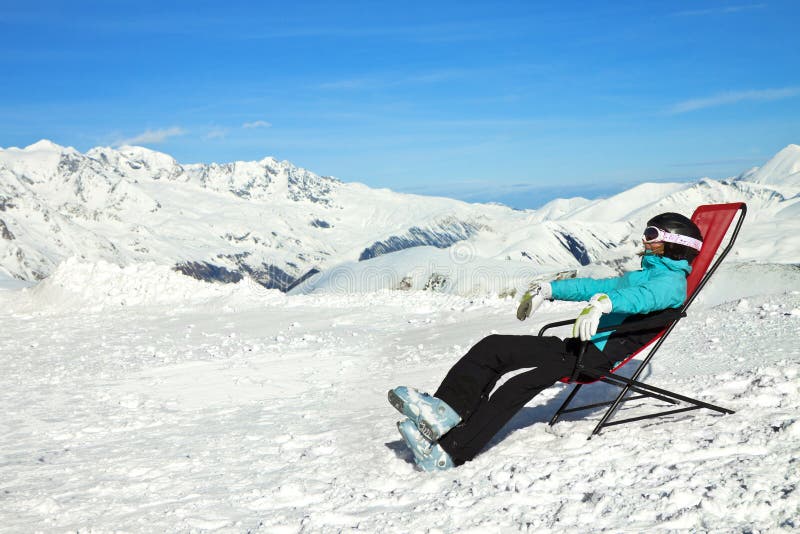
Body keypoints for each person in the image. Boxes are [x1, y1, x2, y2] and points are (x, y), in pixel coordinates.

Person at [389, 212, 704, 471]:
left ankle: (451, 452)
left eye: (652, 234)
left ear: (674, 243)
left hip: (593, 359)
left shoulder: (670, 283)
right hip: (578, 348)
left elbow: (641, 299)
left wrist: (605, 304)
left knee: (519, 384)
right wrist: (550, 290)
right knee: (493, 347)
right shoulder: (645, 275)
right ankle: (445, 411)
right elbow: (595, 285)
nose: (644, 240)